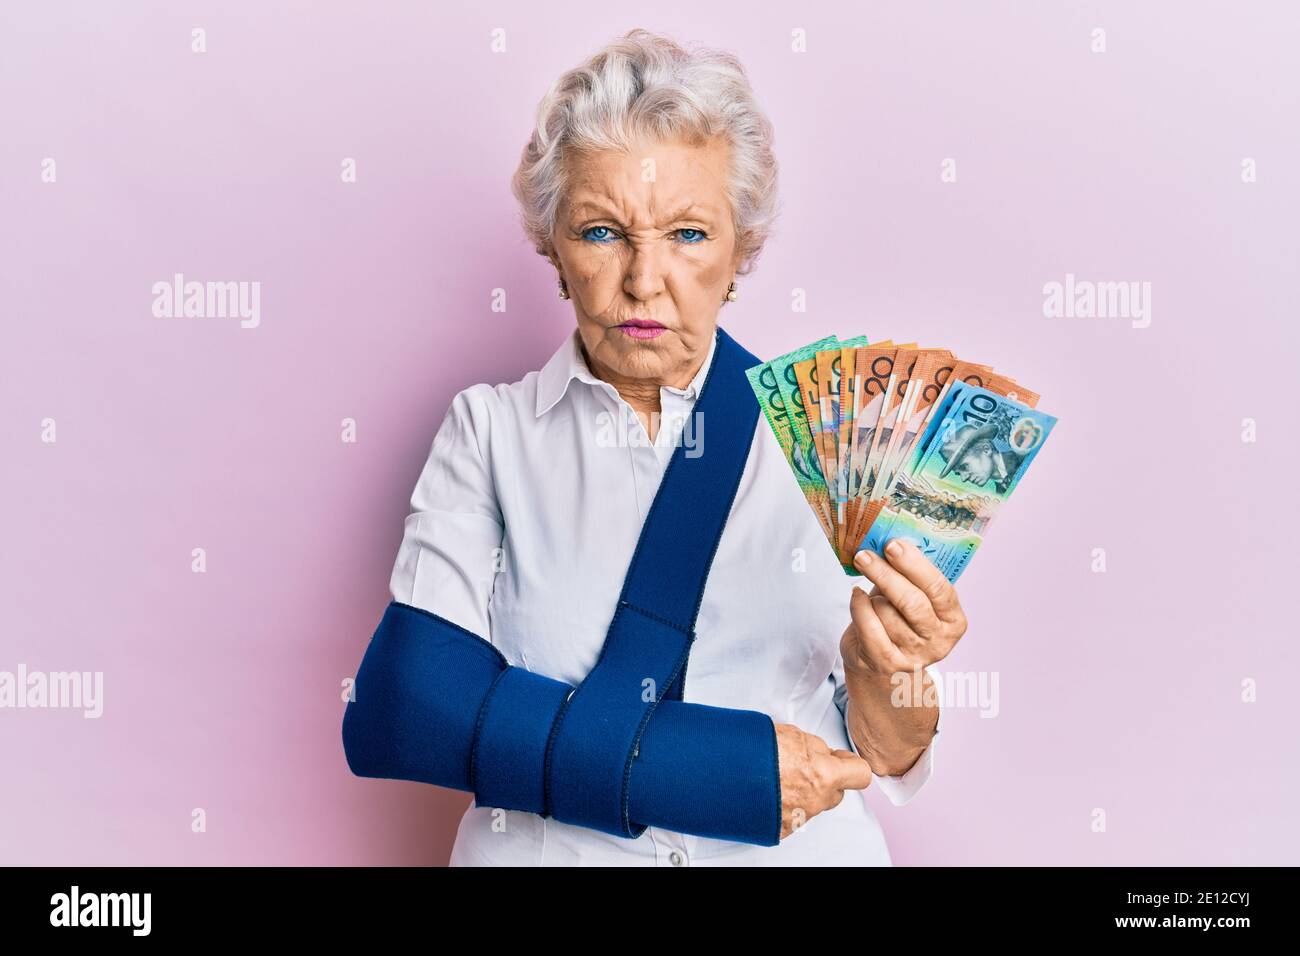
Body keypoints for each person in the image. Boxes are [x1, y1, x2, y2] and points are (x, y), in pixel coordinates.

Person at [356, 27, 965, 866]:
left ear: (742, 249)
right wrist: (713, 774)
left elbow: (887, 754)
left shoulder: (836, 450)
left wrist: (888, 671)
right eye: (603, 232)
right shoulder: (488, 434)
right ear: (553, 247)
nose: (645, 281)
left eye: (688, 234)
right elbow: (409, 710)